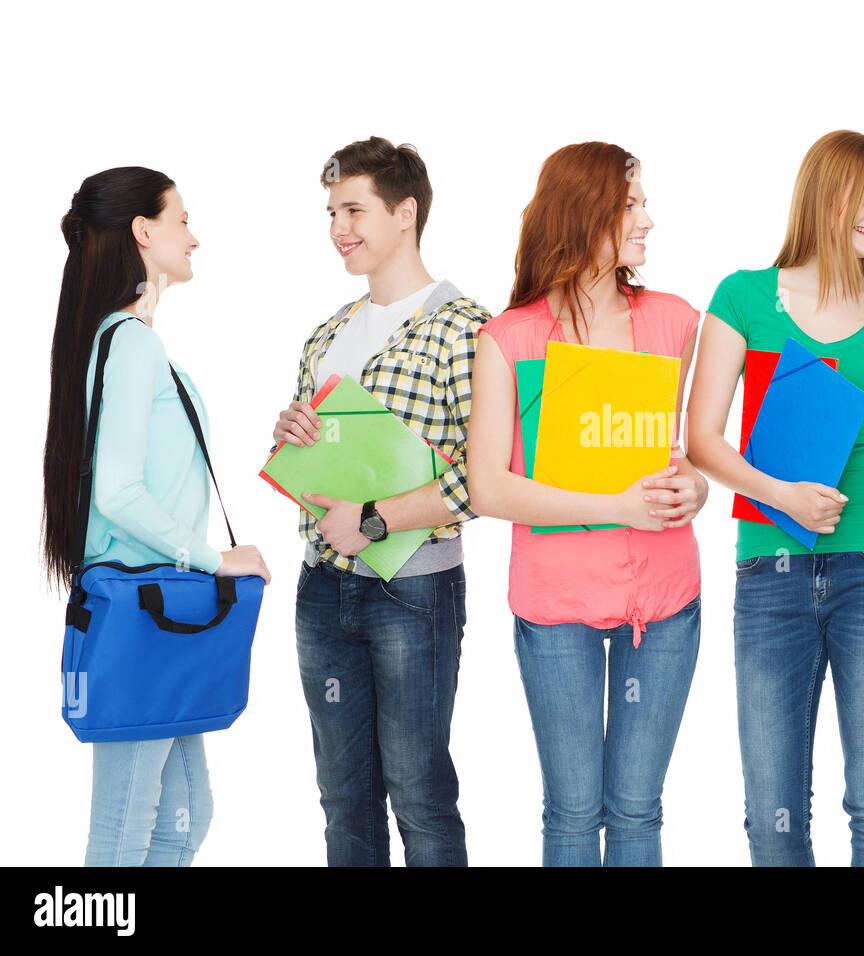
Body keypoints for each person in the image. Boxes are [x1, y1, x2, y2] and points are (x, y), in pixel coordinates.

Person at [684, 130, 864, 866]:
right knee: (773, 815)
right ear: (823, 194)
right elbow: (703, 439)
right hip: (773, 572)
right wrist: (783, 498)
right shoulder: (742, 298)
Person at [467, 142, 705, 867]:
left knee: (636, 811)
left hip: (661, 602)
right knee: (573, 812)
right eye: (631, 205)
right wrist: (618, 505)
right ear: (586, 215)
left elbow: (695, 450)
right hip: (557, 604)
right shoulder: (509, 340)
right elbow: (487, 486)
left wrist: (694, 484)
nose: (647, 221)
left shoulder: (675, 322)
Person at [41, 166, 271, 866]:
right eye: (181, 220)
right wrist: (213, 558)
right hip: (146, 607)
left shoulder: (119, 339)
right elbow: (118, 493)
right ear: (144, 232)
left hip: (155, 613)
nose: (193, 238)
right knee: (127, 824)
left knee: (184, 816)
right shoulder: (131, 343)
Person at [272, 137, 491, 866]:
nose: (340, 227)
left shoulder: (465, 330)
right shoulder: (326, 334)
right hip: (321, 590)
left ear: (406, 213)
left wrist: (374, 521)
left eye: (355, 209)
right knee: (343, 797)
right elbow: (312, 459)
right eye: (332, 211)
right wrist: (292, 433)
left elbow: (486, 476)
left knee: (419, 792)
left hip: (415, 591)